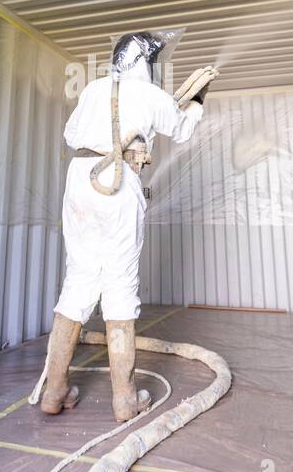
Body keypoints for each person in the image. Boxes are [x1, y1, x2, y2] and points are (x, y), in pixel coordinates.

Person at [40, 32, 209, 422]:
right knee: (119, 285)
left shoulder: (93, 89)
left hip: (80, 182)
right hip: (117, 182)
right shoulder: (151, 95)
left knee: (78, 280)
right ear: (144, 64)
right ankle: (125, 400)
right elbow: (181, 130)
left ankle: (54, 391)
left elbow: (70, 135)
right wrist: (197, 103)